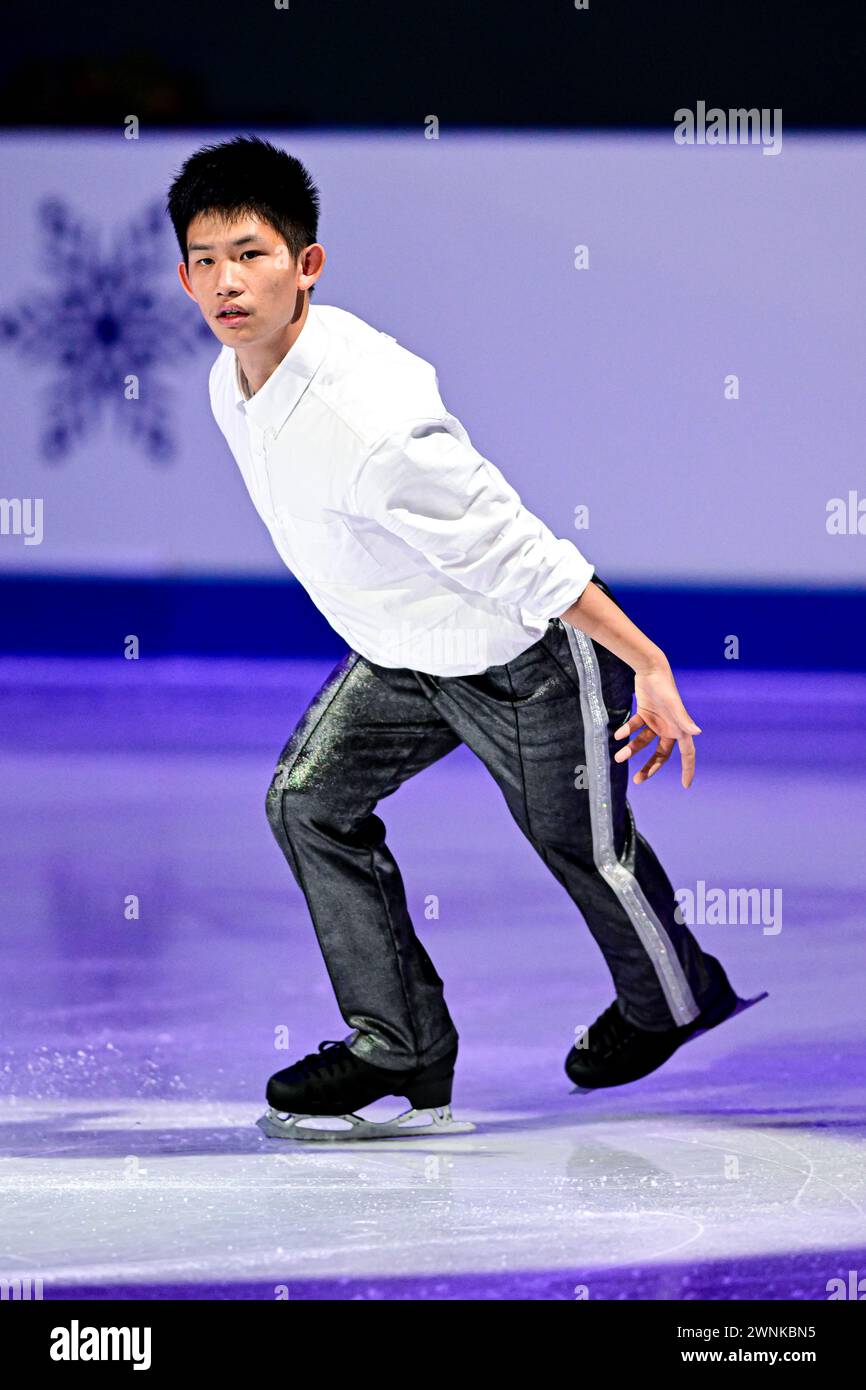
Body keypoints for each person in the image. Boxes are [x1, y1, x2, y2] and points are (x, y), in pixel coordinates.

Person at [167, 135, 760, 1140]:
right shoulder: (232, 382)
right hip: (402, 657)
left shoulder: (372, 416)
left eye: (252, 253)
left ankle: (673, 999)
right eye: (206, 259)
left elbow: (517, 549)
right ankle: (399, 1044)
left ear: (306, 265)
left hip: (521, 654)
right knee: (307, 802)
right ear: (183, 277)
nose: (228, 281)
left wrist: (646, 662)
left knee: (580, 843)